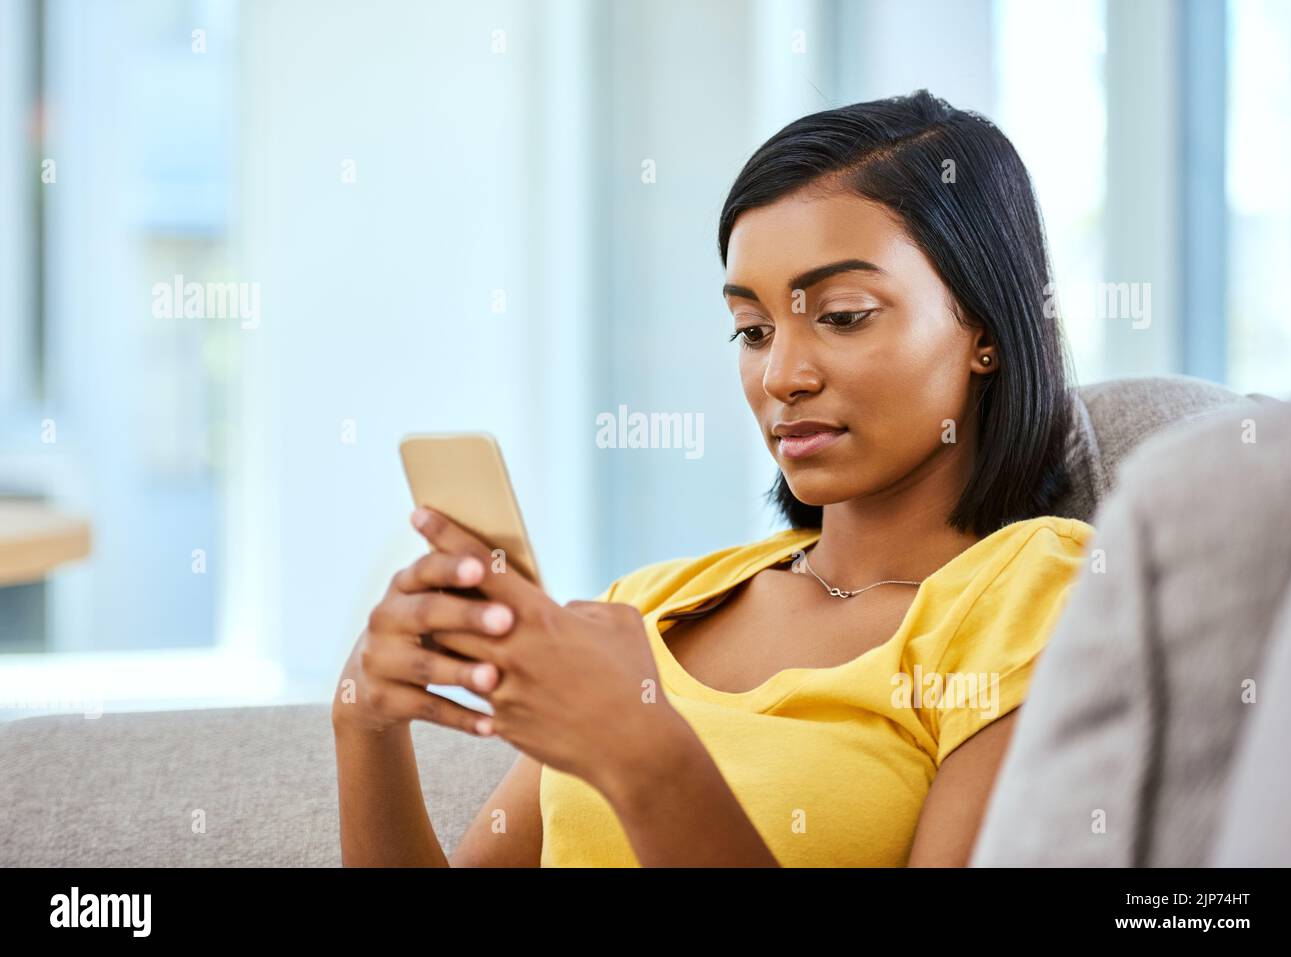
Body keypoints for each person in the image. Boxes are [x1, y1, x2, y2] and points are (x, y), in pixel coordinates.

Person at [332, 89, 1093, 867]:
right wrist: (367, 726)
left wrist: (647, 755)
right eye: (753, 330)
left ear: (987, 333)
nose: (781, 376)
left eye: (842, 315)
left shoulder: (1036, 591)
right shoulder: (647, 605)